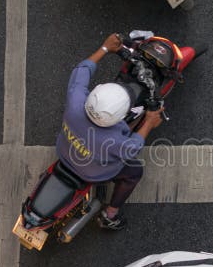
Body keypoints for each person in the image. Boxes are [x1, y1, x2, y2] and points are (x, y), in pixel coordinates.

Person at [56, 33, 164, 230]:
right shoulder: (115, 142)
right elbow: (132, 148)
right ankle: (110, 214)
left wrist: (105, 48)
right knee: (134, 172)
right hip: (94, 174)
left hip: (64, 152)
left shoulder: (75, 102)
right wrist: (149, 122)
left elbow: (81, 71)